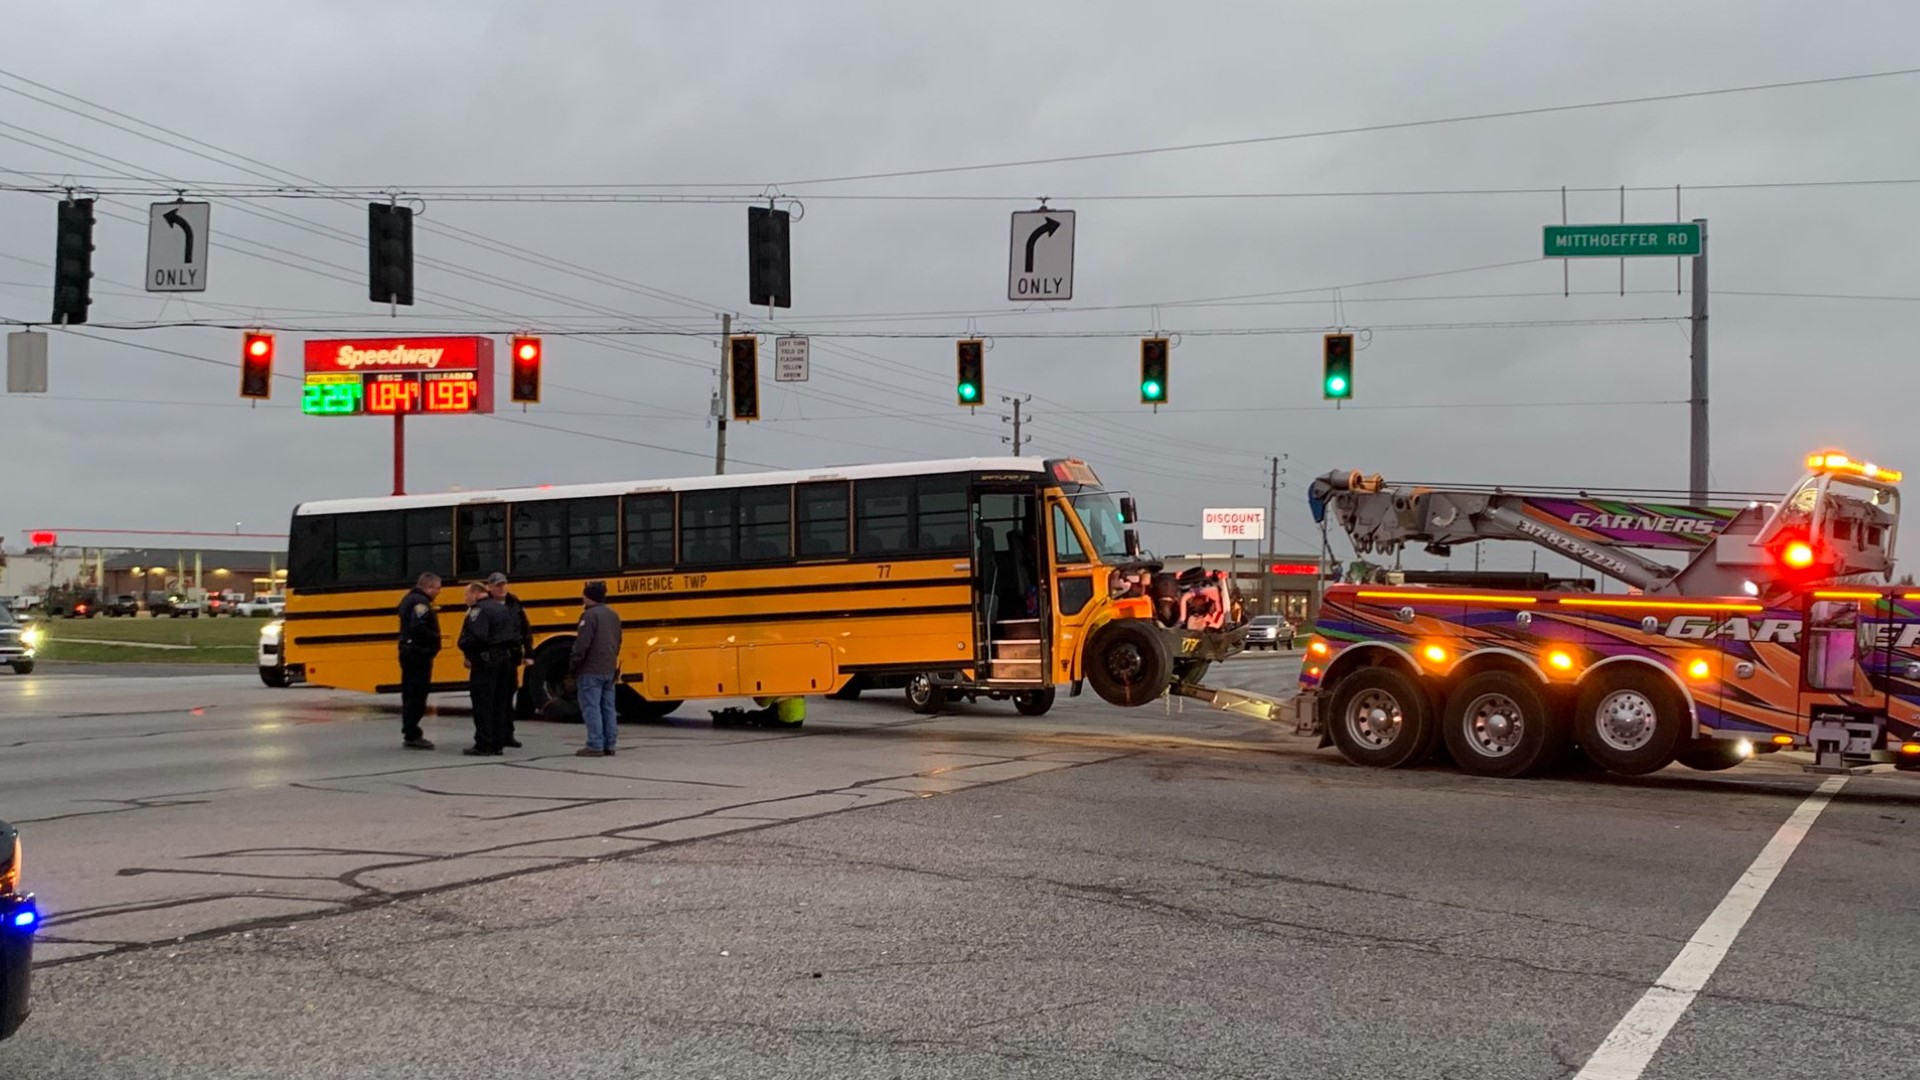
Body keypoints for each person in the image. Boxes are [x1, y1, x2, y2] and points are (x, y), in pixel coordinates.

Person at [457, 581, 519, 756]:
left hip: (485, 662)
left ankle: (484, 743)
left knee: (483, 703)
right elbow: (515, 634)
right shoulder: (502, 608)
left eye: (466, 595)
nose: (465, 599)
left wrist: (465, 647)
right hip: (504, 661)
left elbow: (478, 636)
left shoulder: (478, 610)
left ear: (476, 594)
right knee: (499, 703)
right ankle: (498, 743)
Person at [569, 580, 623, 757]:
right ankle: (610, 744)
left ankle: (595, 744)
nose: (582, 598)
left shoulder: (589, 616)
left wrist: (574, 663)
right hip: (609, 667)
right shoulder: (613, 615)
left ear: (589, 596)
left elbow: (582, 644)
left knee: (591, 706)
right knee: (608, 707)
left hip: (591, 668)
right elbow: (619, 641)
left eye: (584, 595)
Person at [484, 572, 532, 749]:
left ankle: (507, 733)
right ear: (489, 587)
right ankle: (494, 735)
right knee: (493, 698)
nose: (502, 588)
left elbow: (525, 629)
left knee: (508, 696)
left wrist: (529, 652)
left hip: (511, 657)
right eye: (497, 585)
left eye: (504, 584)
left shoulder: (514, 603)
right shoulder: (485, 606)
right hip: (494, 658)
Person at [395, 572, 442, 750]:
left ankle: (410, 730)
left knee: (411, 692)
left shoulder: (410, 598)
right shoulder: (420, 603)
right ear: (428, 587)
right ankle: (412, 732)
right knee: (417, 693)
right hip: (417, 654)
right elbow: (418, 626)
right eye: (437, 588)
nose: (439, 592)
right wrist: (434, 638)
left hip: (410, 652)